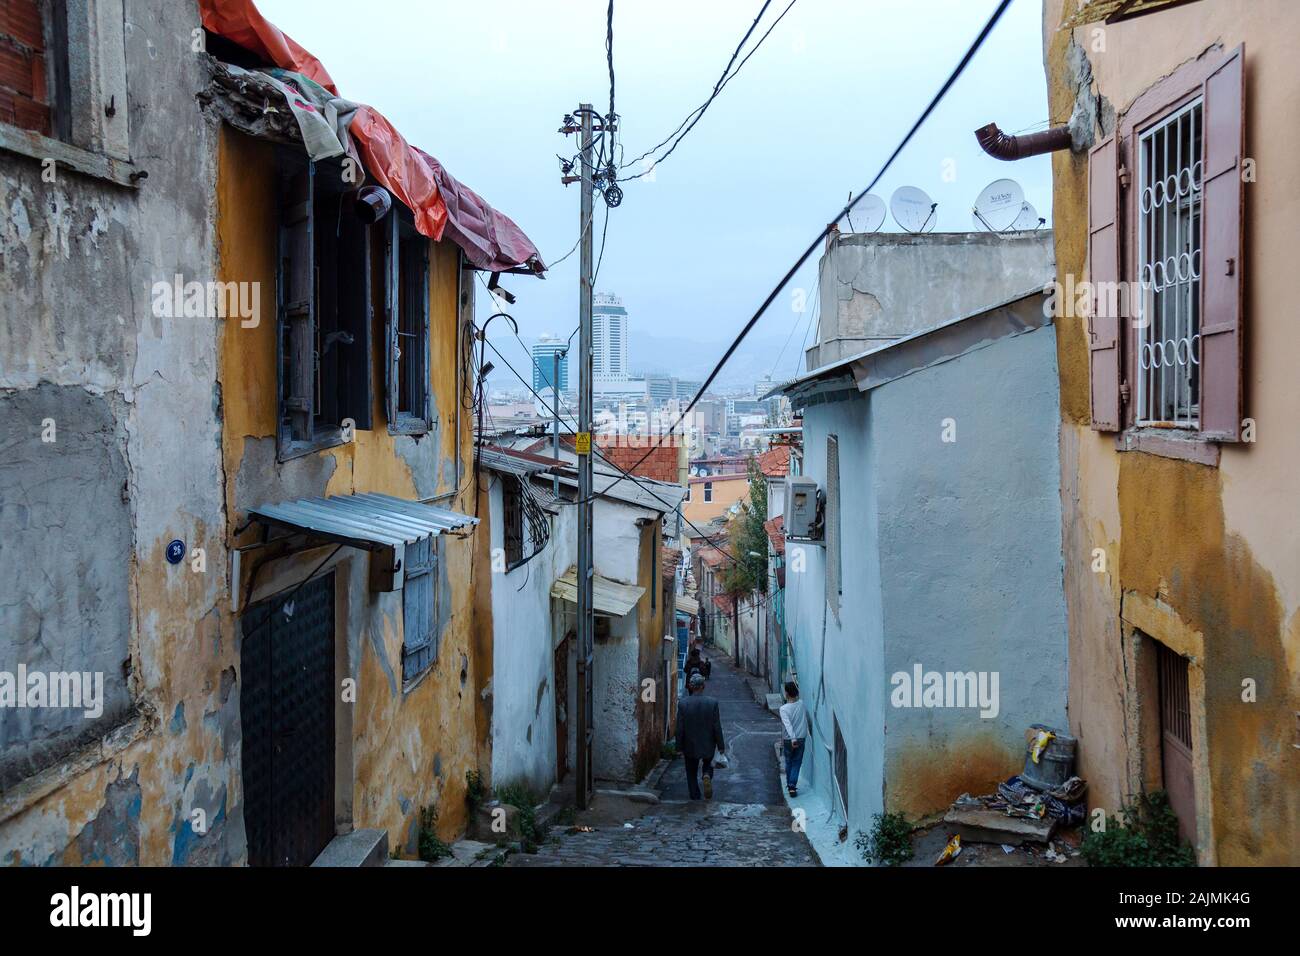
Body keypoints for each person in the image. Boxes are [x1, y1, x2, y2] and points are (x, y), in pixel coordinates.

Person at [676, 673, 726, 800]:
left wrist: (678, 747)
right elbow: (717, 726)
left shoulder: (683, 703)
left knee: (691, 770)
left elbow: (680, 728)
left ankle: (695, 795)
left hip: (690, 744)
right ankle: (706, 774)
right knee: (708, 763)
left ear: (690, 686)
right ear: (703, 686)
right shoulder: (712, 703)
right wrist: (721, 746)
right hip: (708, 743)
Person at [779, 681, 809, 797]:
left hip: (789, 739)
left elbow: (788, 725)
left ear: (786, 693)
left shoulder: (783, 709)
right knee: (797, 762)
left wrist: (792, 739)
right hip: (801, 738)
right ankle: (792, 785)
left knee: (789, 761)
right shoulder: (801, 704)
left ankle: (790, 785)